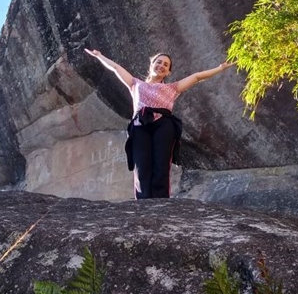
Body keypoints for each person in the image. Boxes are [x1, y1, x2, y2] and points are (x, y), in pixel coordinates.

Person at [84, 48, 233, 199]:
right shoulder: (135, 83)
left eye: (166, 65)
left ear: (168, 72)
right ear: (151, 65)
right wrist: (100, 56)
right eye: (159, 62)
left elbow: (196, 77)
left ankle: (161, 202)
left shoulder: (172, 88)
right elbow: (116, 68)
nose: (161, 65)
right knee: (141, 164)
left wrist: (220, 68)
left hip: (164, 124)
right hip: (140, 124)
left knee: (161, 164)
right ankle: (143, 202)